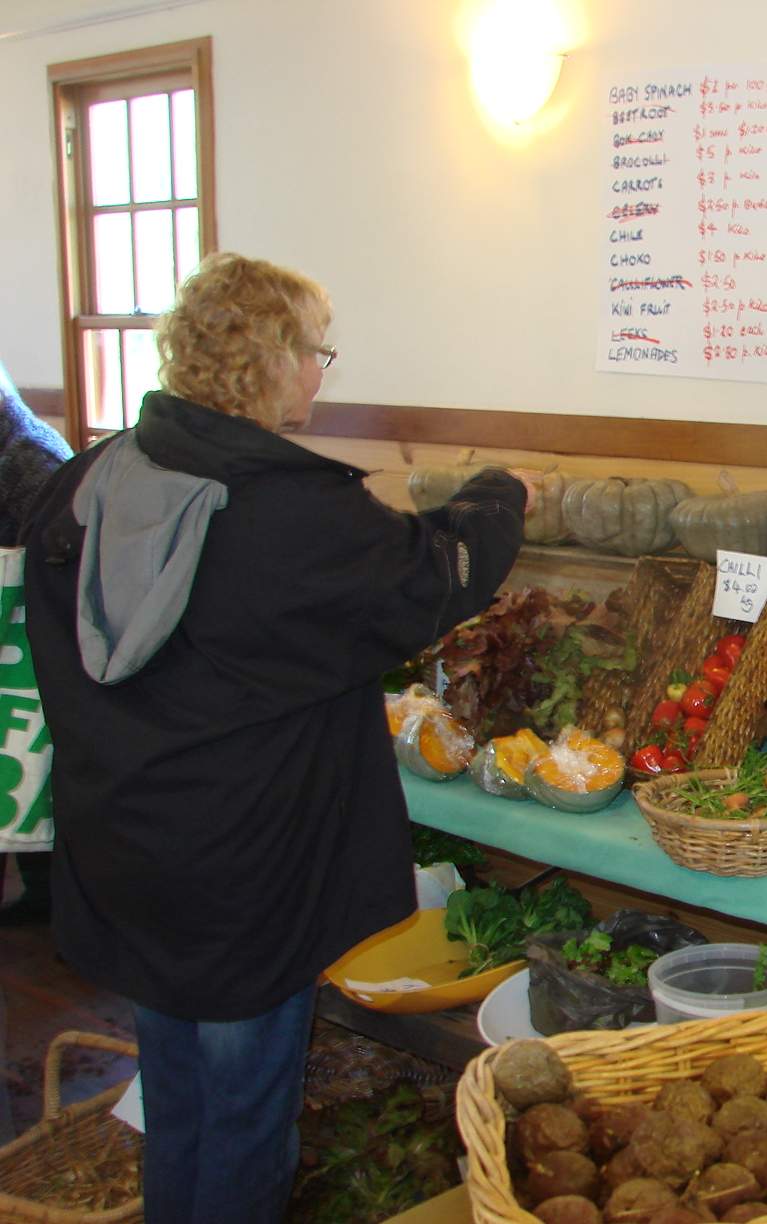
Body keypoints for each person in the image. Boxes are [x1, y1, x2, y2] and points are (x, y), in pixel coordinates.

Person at [21, 252, 529, 1224]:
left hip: (128, 845)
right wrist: (502, 497)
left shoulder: (93, 481)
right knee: (251, 1115)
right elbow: (428, 577)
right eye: (316, 352)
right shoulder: (285, 512)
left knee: (177, 1102)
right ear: (269, 360)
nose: (320, 374)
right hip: (244, 873)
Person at [0, 363, 71, 928]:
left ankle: (53, 899)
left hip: (36, 641)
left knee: (32, 763)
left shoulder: (33, 460)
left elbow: (49, 569)